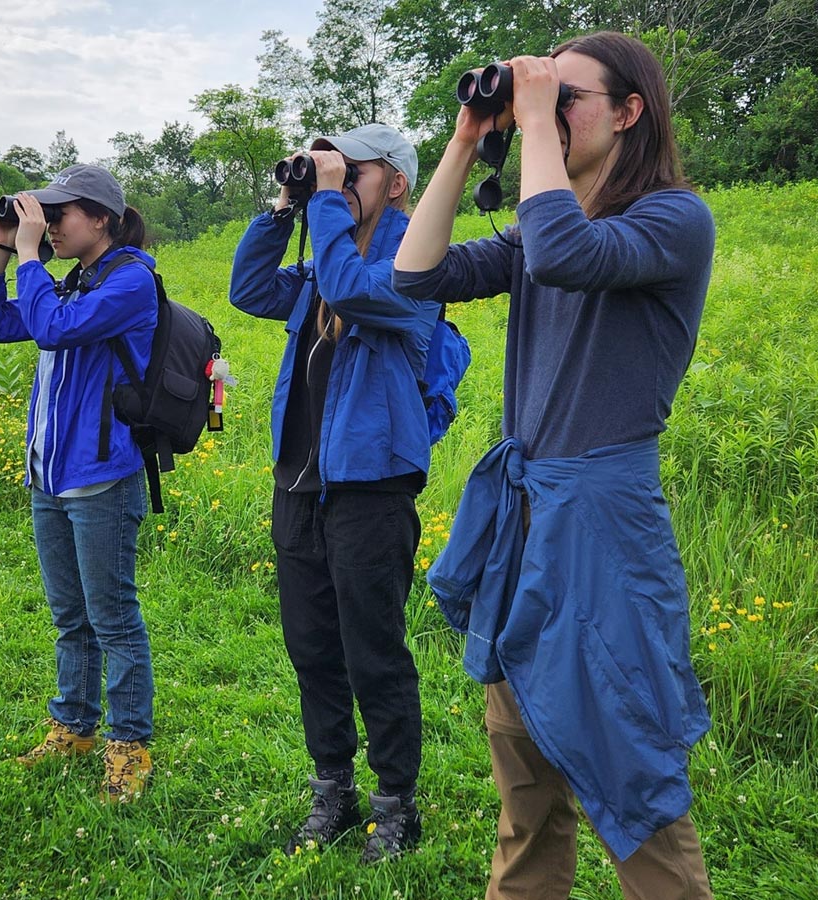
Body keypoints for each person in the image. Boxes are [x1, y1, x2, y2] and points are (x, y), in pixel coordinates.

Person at [392, 32, 715, 899]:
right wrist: (467, 139)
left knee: (633, 776)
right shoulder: (541, 229)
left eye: (569, 96)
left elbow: (569, 254)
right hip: (525, 527)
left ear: (629, 111)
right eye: (545, 95)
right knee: (525, 790)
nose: (550, 108)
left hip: (604, 531)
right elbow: (415, 274)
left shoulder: (673, 220)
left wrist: (532, 119)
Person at [229, 124, 441, 863]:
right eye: (332, 167)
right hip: (301, 482)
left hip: (371, 484)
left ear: (398, 183)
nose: (339, 178)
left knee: (372, 650)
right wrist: (286, 205)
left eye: (354, 168)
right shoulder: (323, 262)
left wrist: (324, 201)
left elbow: (355, 286)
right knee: (313, 648)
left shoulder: (418, 259)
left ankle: (397, 808)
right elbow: (250, 287)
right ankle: (333, 793)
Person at [0, 164, 157, 804]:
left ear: (98, 218)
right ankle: (74, 726)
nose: (45, 227)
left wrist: (27, 255)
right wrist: (1, 245)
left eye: (57, 215)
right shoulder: (71, 284)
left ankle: (128, 747)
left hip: (102, 478)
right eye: (38, 215)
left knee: (114, 619)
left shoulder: (131, 281)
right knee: (69, 615)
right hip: (49, 475)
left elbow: (51, 328)